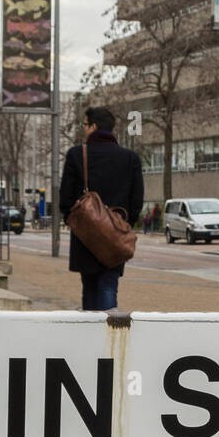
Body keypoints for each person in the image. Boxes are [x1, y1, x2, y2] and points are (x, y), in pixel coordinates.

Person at [58, 106, 144, 311]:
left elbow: (65, 198)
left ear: (94, 127)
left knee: (88, 287)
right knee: (109, 284)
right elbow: (137, 201)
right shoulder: (130, 158)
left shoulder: (77, 155)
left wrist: (74, 221)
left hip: (86, 233)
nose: (84, 129)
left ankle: (90, 335)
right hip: (115, 233)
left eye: (85, 125)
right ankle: (108, 336)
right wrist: (122, 225)